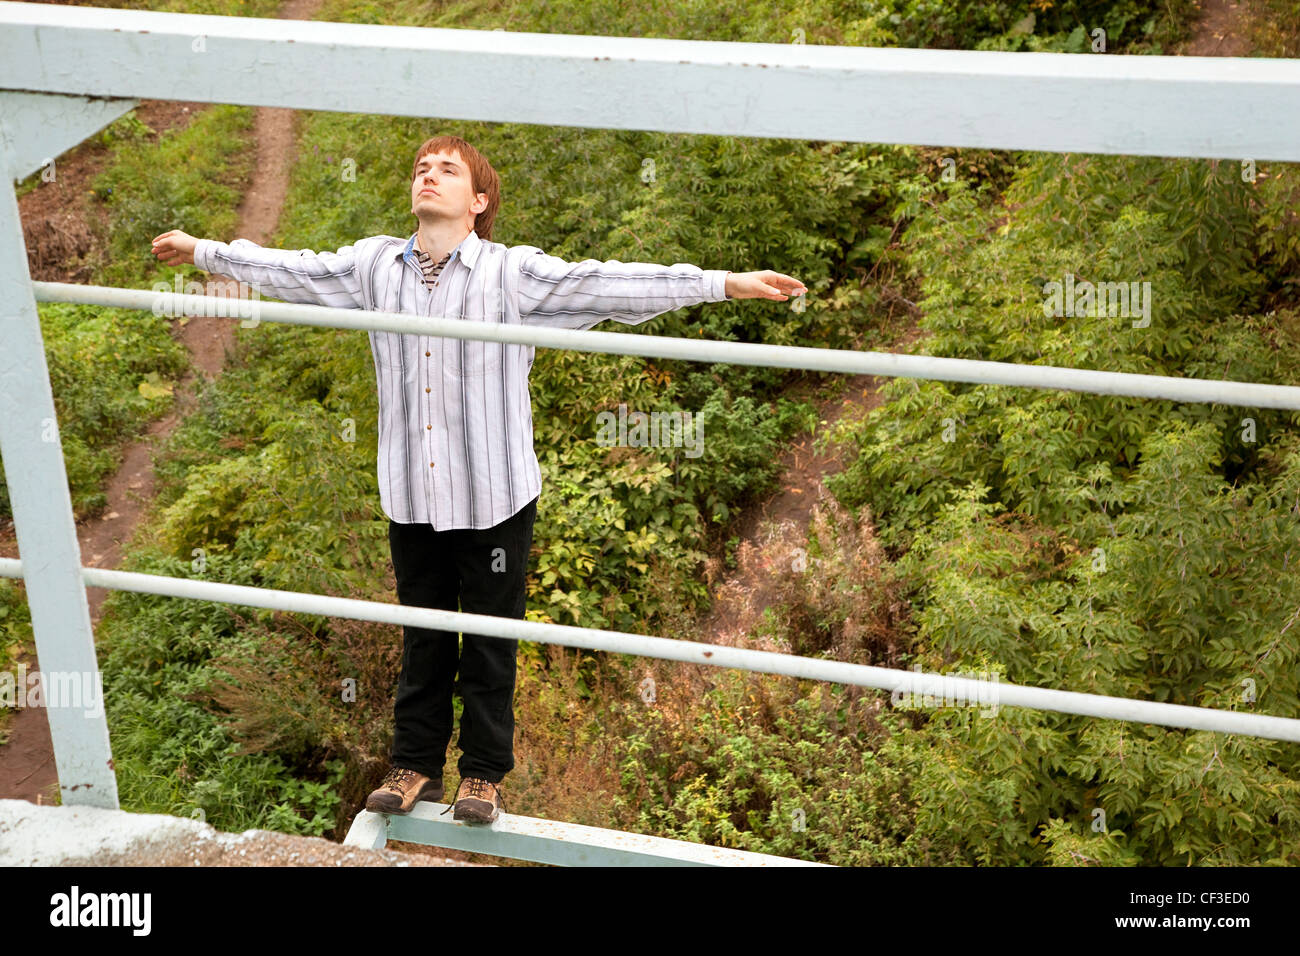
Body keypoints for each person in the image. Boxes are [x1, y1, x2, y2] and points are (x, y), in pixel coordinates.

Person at [150, 134, 807, 825]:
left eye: (447, 169)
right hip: (411, 493)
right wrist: (204, 250)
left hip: (493, 495)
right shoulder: (374, 266)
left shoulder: (509, 274)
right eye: (421, 168)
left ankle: (484, 775)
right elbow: (292, 270)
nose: (428, 176)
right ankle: (414, 766)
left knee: (491, 639)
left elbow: (608, 283)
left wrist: (721, 283)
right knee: (422, 635)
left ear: (479, 200)